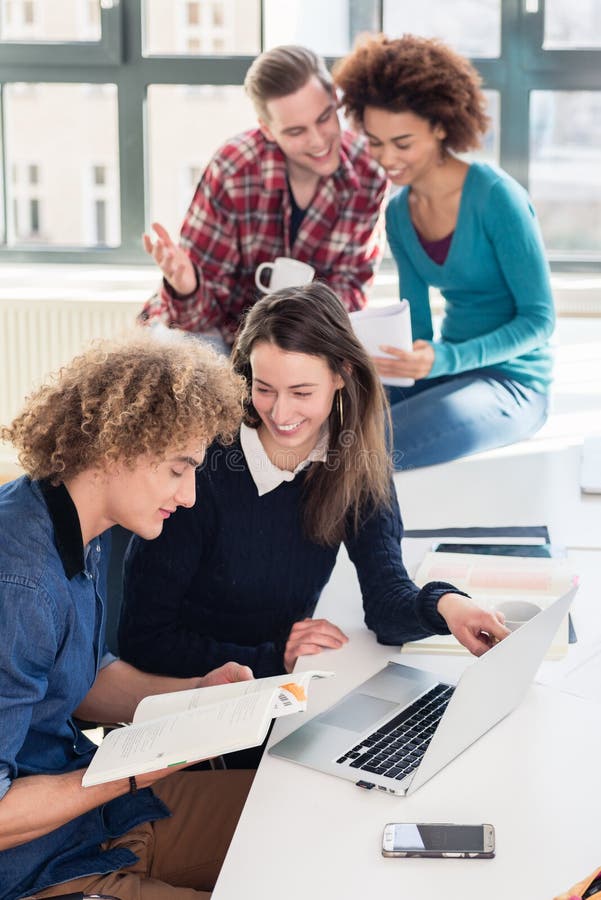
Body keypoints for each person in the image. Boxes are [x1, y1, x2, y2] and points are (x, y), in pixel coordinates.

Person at [120, 285, 509, 697]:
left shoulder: (353, 460)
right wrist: (274, 660)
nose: (280, 413)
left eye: (302, 393)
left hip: (281, 689)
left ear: (341, 375)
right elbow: (143, 641)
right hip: (196, 704)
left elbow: (384, 602)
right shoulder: (202, 465)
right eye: (264, 388)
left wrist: (447, 607)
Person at [0, 330, 255, 900]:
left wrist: (194, 696)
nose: (189, 495)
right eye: (178, 468)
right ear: (115, 449)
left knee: (299, 813)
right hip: (40, 871)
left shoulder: (72, 523)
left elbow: (80, 678)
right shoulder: (17, 583)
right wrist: (142, 767)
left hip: (103, 819)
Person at [333, 34, 555, 470]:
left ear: (439, 126)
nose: (386, 159)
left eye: (403, 142)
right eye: (375, 143)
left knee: (367, 449)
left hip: (516, 383)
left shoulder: (497, 198)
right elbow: (415, 326)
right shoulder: (399, 212)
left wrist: (445, 358)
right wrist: (380, 360)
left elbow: (540, 320)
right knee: (333, 416)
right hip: (447, 368)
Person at [140, 44, 387, 349]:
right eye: (296, 132)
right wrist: (187, 286)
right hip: (220, 332)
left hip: (304, 339)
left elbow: (351, 293)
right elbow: (197, 321)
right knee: (194, 368)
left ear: (335, 100)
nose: (318, 140)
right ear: (267, 130)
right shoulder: (234, 169)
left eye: (324, 118)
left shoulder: (368, 174)